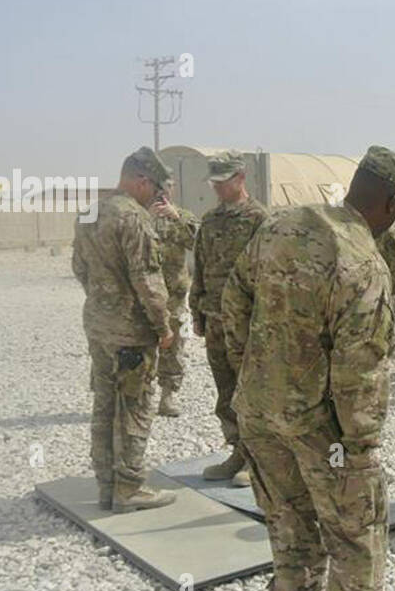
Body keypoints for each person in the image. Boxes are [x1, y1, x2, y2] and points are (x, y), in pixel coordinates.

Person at [222, 145, 395, 591]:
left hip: (259, 415)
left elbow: (232, 309)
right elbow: (361, 370)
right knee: (356, 540)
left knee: (291, 537)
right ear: (391, 201)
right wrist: (360, 447)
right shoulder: (363, 261)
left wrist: (256, 380)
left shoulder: (281, 225)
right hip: (322, 431)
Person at [71, 146, 176, 512]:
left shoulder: (90, 211)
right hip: (131, 332)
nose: (158, 196)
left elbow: (80, 268)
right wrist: (163, 327)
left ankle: (106, 485)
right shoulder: (133, 218)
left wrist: (103, 300)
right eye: (156, 188)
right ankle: (129, 487)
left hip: (98, 325)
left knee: (104, 403)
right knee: (133, 405)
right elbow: (148, 280)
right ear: (142, 181)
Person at [190, 150, 270, 486]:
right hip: (216, 320)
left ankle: (259, 461)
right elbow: (201, 267)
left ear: (240, 178)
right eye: (215, 183)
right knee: (226, 391)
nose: (218, 189)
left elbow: (269, 274)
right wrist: (197, 310)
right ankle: (238, 450)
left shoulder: (259, 219)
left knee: (251, 390)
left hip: (248, 322)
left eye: (223, 182)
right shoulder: (210, 220)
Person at [151, 180, 199, 417]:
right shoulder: (139, 215)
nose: (163, 190)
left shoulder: (184, 216)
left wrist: (177, 217)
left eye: (168, 185)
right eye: (159, 185)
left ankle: (168, 396)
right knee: (141, 347)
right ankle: (137, 398)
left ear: (174, 189)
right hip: (146, 297)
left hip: (174, 298)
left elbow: (198, 243)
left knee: (174, 346)